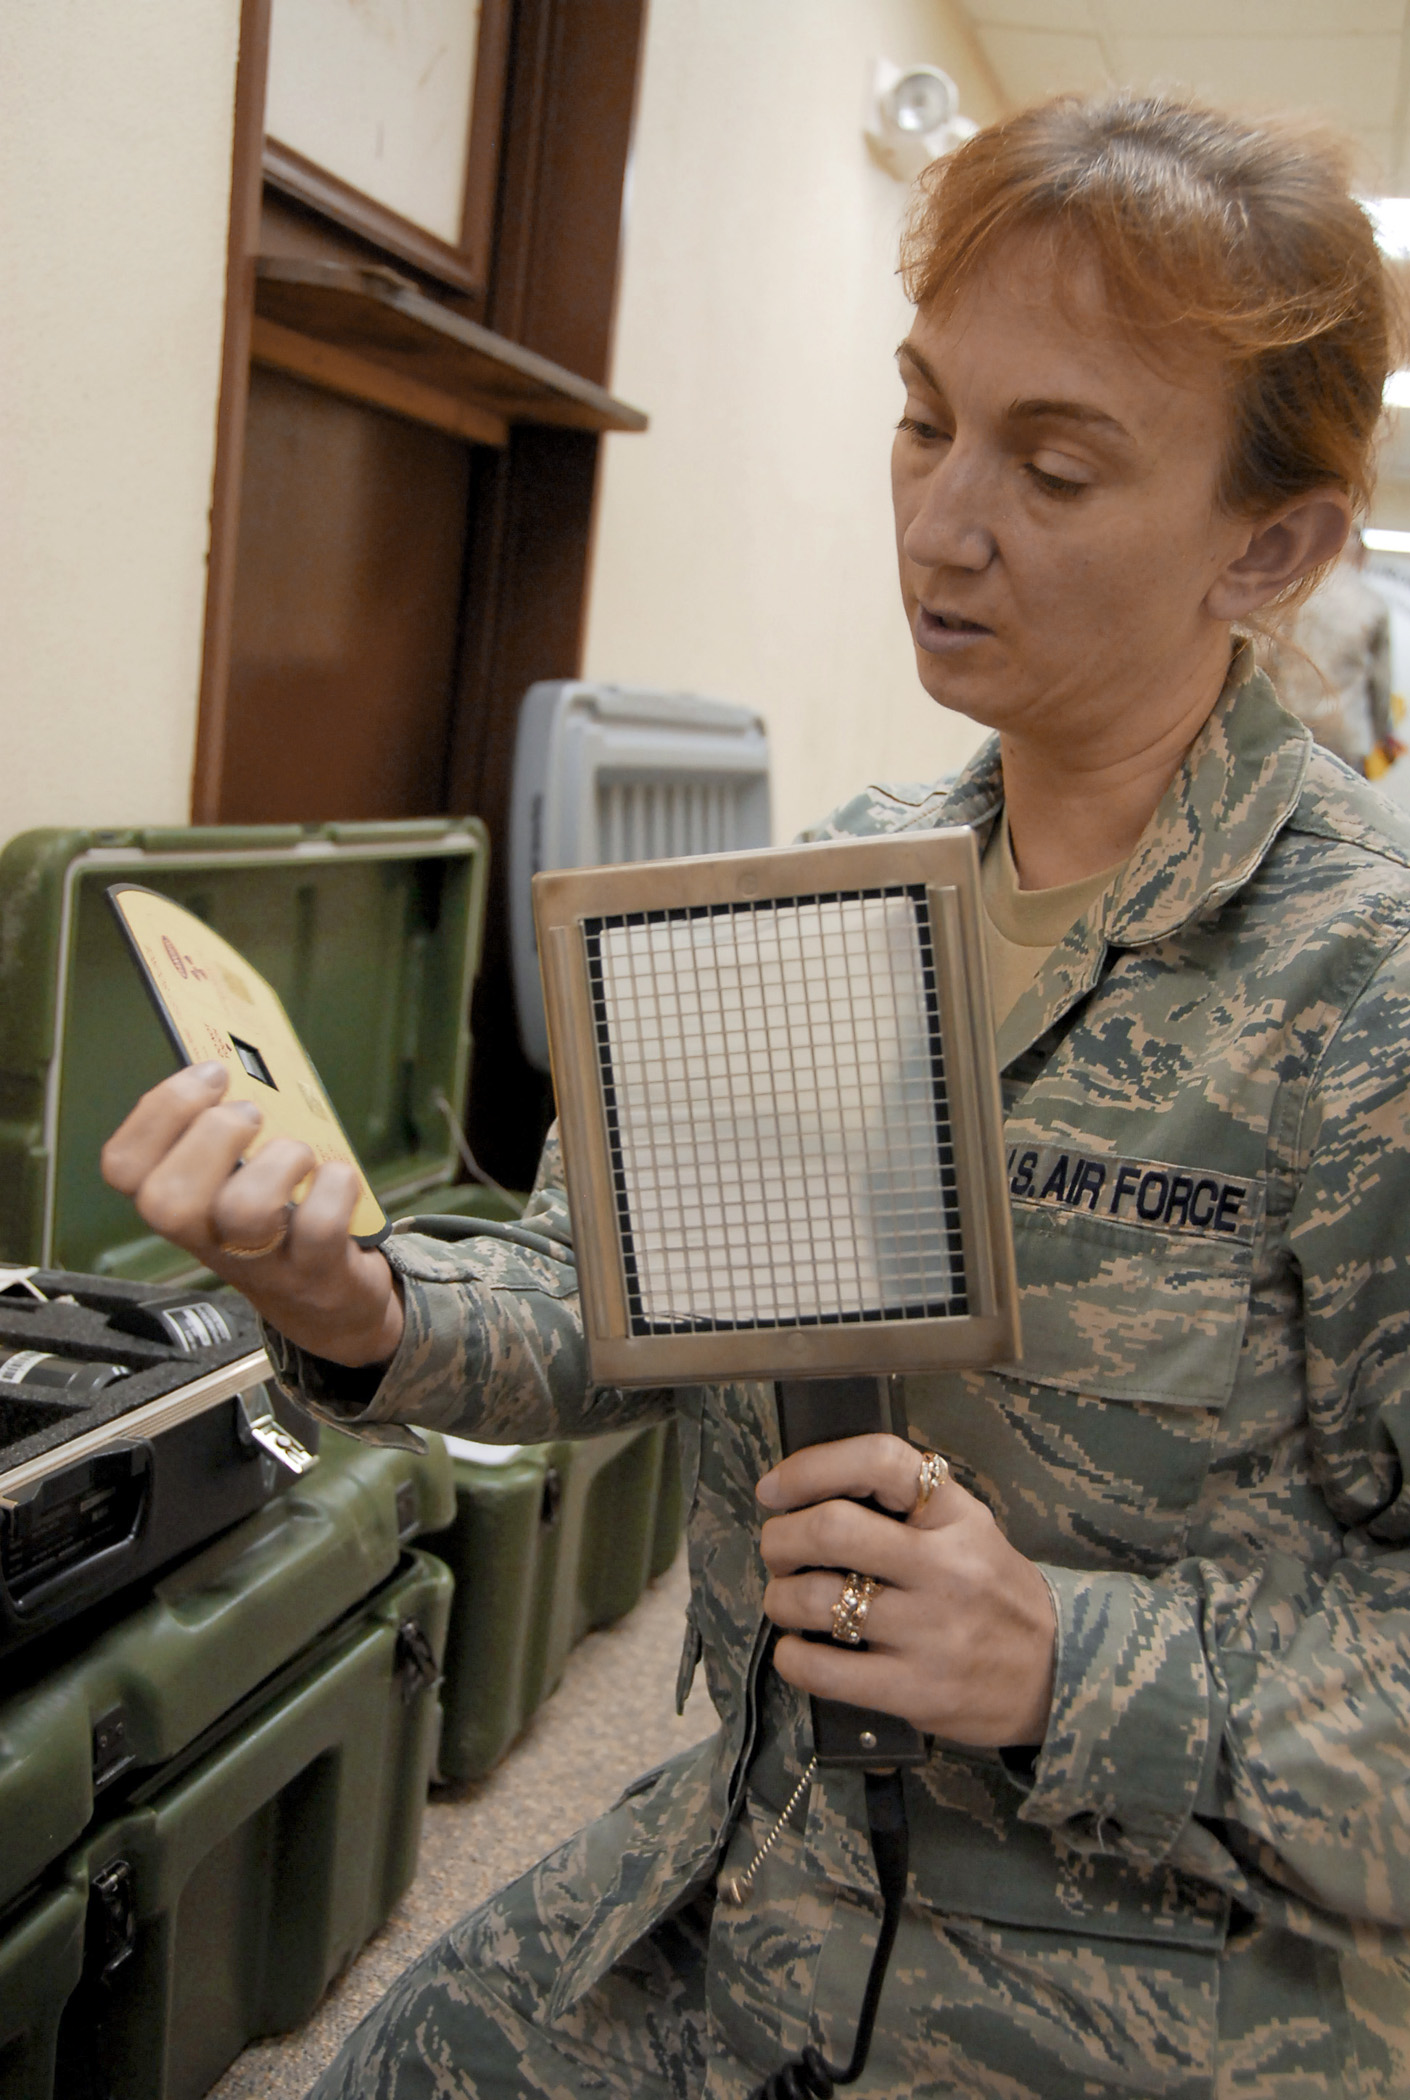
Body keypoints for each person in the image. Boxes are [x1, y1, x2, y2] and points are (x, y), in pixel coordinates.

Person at [102, 92, 1410, 2098]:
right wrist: (352, 1298)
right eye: (922, 419)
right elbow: (608, 1304)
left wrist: (1067, 1655)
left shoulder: (1363, 994)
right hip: (767, 1853)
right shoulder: (854, 879)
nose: (941, 522)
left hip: (1149, 1973)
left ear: (1278, 544)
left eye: (1053, 469)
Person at [1266, 533, 1395, 773]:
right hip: (1344, 735)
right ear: (1362, 556)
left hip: (1290, 727)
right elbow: (1379, 681)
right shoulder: (1371, 603)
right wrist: (1382, 733)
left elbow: (1266, 661)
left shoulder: (1291, 595)